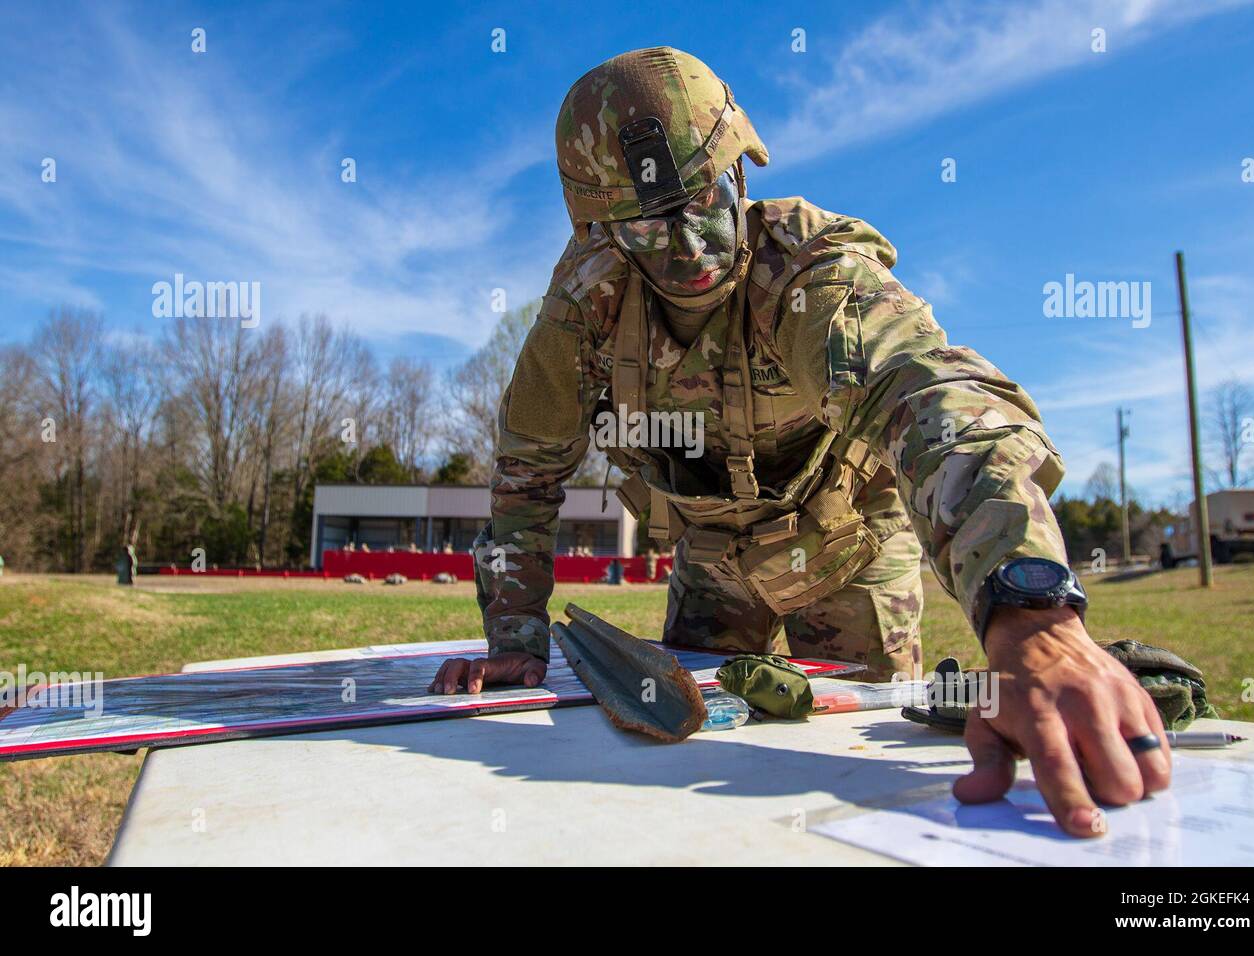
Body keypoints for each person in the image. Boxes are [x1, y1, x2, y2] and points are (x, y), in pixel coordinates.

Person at [431, 47, 1169, 837]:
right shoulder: (584, 309)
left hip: (848, 546)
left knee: (863, 766)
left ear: (739, 174)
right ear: (604, 229)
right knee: (670, 760)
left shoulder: (808, 277)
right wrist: (516, 638)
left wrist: (1030, 610)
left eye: (703, 201)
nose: (689, 248)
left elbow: (934, 400)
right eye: (647, 224)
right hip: (712, 564)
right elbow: (524, 480)